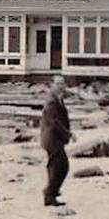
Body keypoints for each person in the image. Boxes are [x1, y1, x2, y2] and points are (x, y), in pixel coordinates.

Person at [40, 75, 74, 207]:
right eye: (58, 84)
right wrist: (68, 134)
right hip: (51, 138)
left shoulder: (58, 99)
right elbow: (54, 122)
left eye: (62, 83)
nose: (61, 86)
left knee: (56, 166)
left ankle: (51, 193)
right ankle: (50, 192)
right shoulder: (52, 101)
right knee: (61, 166)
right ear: (52, 85)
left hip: (54, 138)